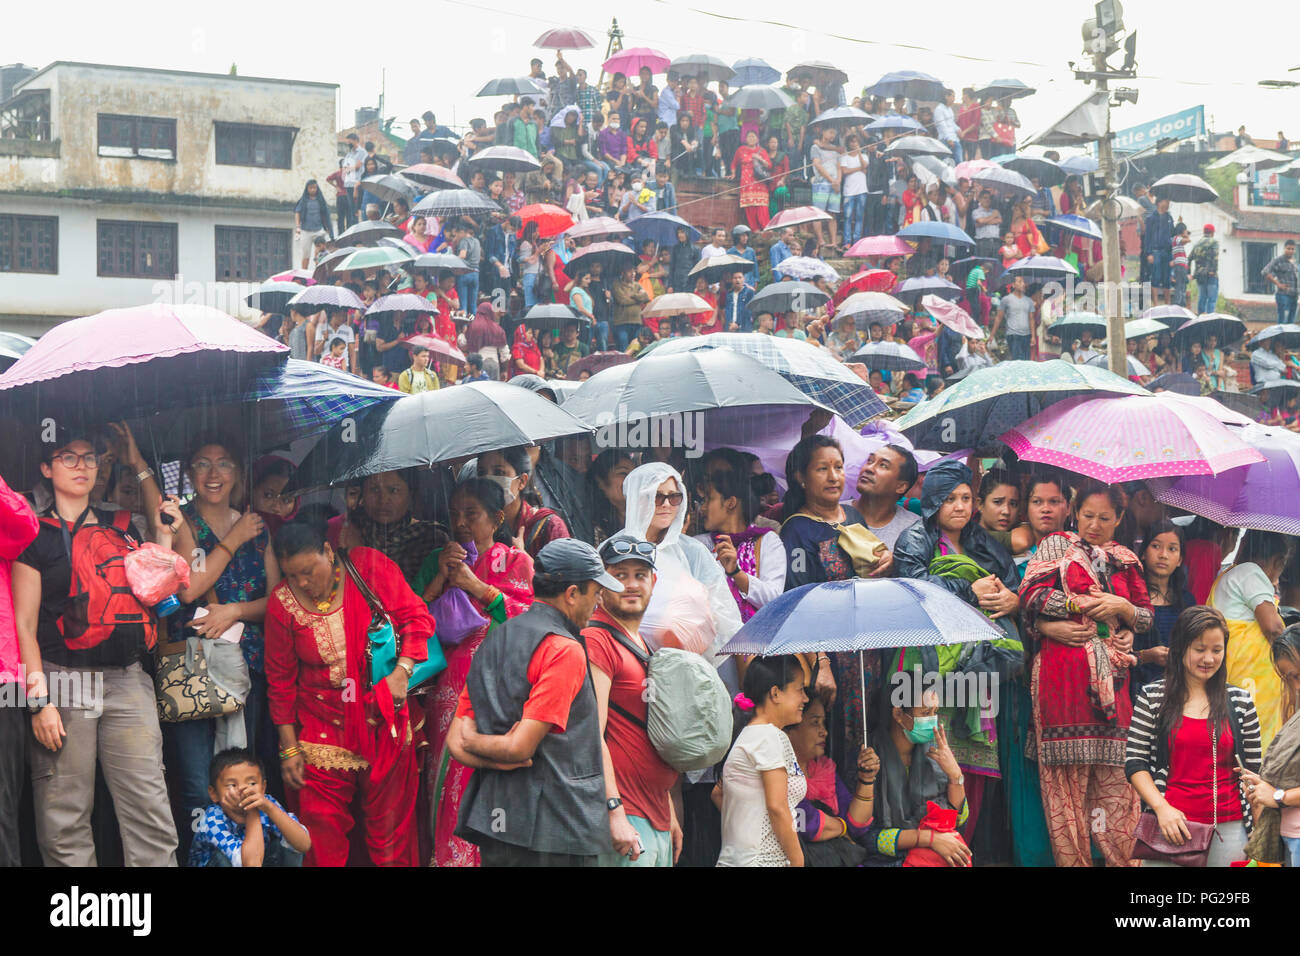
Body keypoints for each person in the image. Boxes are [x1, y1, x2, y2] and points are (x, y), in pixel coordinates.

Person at [15, 426, 182, 866]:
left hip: (128, 677)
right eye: (67, 458)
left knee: (149, 805)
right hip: (63, 678)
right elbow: (23, 625)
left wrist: (165, 535)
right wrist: (39, 703)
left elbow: (154, 595)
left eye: (90, 458)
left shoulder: (122, 526)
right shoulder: (33, 535)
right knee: (64, 812)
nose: (82, 467)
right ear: (46, 469)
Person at [266, 521, 436, 867]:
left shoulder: (368, 567)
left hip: (381, 719)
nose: (301, 583)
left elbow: (416, 618)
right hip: (320, 729)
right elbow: (280, 681)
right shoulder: (281, 603)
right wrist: (288, 748)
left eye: (307, 571)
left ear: (328, 552)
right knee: (320, 832)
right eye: (291, 575)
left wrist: (402, 674)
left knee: (389, 837)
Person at [449, 539, 625, 866]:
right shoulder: (564, 649)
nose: (598, 603)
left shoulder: (497, 637)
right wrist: (500, 748)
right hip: (556, 832)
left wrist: (478, 745)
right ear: (572, 594)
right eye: (595, 593)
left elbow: (456, 742)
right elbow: (519, 748)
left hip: (499, 824)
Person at [1018, 484, 1152, 866]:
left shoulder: (1126, 560)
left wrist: (1123, 609)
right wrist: (1074, 607)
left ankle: (1124, 861)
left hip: (1114, 685)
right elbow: (1030, 596)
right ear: (1075, 512)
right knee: (1066, 795)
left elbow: (1144, 616)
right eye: (1088, 516)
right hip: (1061, 684)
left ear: (1120, 520)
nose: (1094, 525)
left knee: (1118, 789)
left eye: (1105, 518)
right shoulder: (1057, 547)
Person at [166, 435, 281, 861]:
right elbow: (190, 587)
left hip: (245, 667)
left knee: (242, 778)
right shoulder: (183, 522)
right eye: (202, 463)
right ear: (189, 472)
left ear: (239, 472)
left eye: (224, 463)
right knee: (199, 782)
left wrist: (233, 609)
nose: (214, 475)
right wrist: (232, 538)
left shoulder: (259, 526)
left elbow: (276, 601)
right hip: (193, 668)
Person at [1126, 606, 1262, 867]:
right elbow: (1135, 763)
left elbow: (1253, 773)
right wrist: (1161, 809)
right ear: (1180, 648)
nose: (1208, 658)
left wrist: (1258, 829)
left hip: (1230, 828)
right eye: (1200, 649)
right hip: (1169, 828)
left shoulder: (1240, 701)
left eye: (1216, 650)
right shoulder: (1153, 696)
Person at [583, 534, 681, 866]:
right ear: (600, 583)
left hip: (655, 816)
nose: (631, 584)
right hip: (625, 816)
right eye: (619, 575)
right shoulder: (597, 640)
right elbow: (592, 736)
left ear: (653, 582)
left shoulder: (640, 643)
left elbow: (646, 734)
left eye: (640, 575)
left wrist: (669, 811)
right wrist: (614, 811)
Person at [863, 679, 971, 866]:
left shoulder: (934, 757)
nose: (933, 721)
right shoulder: (869, 760)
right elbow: (868, 837)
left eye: (935, 713)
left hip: (929, 853)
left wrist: (955, 776)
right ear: (898, 713)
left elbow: (958, 819)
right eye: (925, 713)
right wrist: (929, 839)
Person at [713, 655, 808, 866]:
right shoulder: (768, 736)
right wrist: (798, 861)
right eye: (800, 689)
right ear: (776, 693)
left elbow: (718, 793)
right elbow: (777, 807)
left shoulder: (753, 733)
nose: (806, 699)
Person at [1209, 530, 1294, 749]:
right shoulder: (1250, 572)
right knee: (1254, 746)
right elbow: (1275, 629)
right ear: (1278, 560)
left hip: (1239, 677)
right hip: (1251, 684)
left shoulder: (1233, 573)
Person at [787, 695, 879, 864]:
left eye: (823, 723)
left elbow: (857, 826)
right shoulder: (781, 774)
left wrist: (867, 779)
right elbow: (809, 826)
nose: (824, 731)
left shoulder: (825, 770)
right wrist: (842, 828)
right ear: (789, 730)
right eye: (815, 723)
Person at [189, 748, 311, 867]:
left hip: (255, 858)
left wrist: (270, 808)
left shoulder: (267, 803)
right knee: (222, 858)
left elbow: (304, 844)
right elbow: (251, 864)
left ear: (263, 788)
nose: (244, 790)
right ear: (213, 793)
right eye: (232, 785)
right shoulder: (212, 819)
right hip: (235, 861)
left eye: (252, 783)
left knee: (287, 840)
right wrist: (251, 812)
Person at [695, 465, 785, 624]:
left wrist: (736, 572)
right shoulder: (699, 545)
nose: (702, 508)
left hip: (757, 642)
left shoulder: (767, 541)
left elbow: (773, 600)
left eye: (709, 499)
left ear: (730, 503)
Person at [1241, 626, 1300, 865]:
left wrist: (1277, 795)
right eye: (1289, 678)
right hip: (1288, 836)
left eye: (1298, 675)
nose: (1296, 686)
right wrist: (1264, 788)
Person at [334, 469, 447, 588]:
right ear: (362, 494)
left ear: (411, 494)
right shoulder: (353, 531)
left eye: (394, 490)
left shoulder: (430, 537)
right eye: (374, 489)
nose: (383, 500)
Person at [1133, 520, 1196, 699]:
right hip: (1137, 690)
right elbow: (1116, 653)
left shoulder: (1187, 602)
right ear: (1143, 553)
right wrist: (1146, 656)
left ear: (1180, 560)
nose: (1163, 555)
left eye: (1172, 549)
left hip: (1176, 691)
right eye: (1156, 546)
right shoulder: (1131, 599)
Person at [853, 444, 921, 555]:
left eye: (883, 465)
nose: (869, 468)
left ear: (900, 486)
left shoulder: (915, 530)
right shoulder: (828, 514)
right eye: (870, 461)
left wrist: (897, 563)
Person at [732, 129, 772, 232]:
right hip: (746, 181)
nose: (751, 138)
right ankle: (755, 229)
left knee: (761, 205)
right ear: (746, 139)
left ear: (757, 139)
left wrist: (760, 159)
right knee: (750, 205)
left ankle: (766, 228)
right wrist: (732, 173)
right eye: (749, 136)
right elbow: (734, 163)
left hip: (759, 181)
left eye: (753, 136)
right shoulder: (741, 150)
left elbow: (769, 165)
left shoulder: (762, 151)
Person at [991, 274, 1033, 361]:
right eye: (1019, 282)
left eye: (1023, 282)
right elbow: (999, 317)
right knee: (1017, 361)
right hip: (1013, 335)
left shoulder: (1029, 301)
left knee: (1027, 362)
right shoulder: (1006, 300)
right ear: (1013, 285)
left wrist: (1033, 337)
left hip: (1027, 335)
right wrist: (992, 335)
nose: (1022, 284)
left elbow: (1031, 319)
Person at [294, 180, 333, 269]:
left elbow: (326, 215)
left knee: (320, 252)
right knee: (305, 255)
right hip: (305, 231)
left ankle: (319, 270)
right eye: (310, 188)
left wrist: (328, 228)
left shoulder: (320, 200)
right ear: (307, 189)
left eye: (314, 188)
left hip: (318, 230)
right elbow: (297, 212)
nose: (312, 190)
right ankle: (304, 273)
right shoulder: (303, 200)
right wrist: (298, 227)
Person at [1262, 239, 1299, 324]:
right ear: (1284, 248)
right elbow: (1265, 271)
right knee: (1282, 322)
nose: (1290, 251)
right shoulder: (1278, 260)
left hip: (1294, 295)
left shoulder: (1295, 262)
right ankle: (1280, 337)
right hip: (1283, 295)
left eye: (1292, 249)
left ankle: (1288, 337)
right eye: (1288, 248)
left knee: (1291, 323)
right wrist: (1278, 284)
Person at [1190, 224, 1220, 315]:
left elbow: (1190, 258)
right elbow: (1215, 257)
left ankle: (1200, 316)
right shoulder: (1214, 242)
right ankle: (1210, 318)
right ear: (1212, 232)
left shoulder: (1197, 243)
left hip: (1199, 275)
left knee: (1202, 297)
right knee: (1211, 299)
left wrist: (1190, 273)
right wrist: (1213, 271)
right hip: (1210, 275)